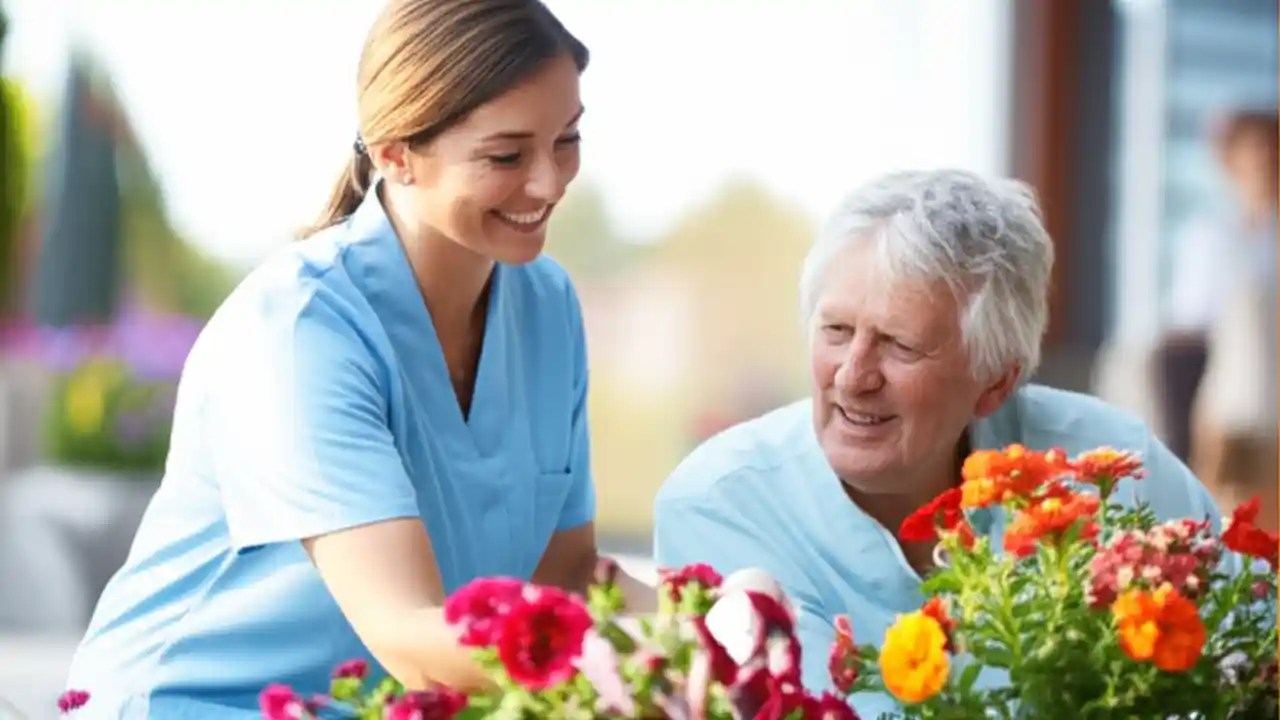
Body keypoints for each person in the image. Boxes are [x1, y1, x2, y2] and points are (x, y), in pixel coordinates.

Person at [65, 1, 650, 716]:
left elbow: (563, 577)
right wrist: (636, 665)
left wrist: (720, 622)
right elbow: (408, 638)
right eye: (507, 155)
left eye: (567, 139)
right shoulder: (299, 330)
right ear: (394, 152)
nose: (549, 182)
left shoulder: (547, 305)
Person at [652, 169, 1227, 718]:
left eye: (900, 345)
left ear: (996, 379)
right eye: (836, 331)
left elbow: (1247, 660)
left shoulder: (1113, 469)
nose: (853, 375)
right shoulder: (720, 505)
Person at [1185, 111, 1279, 533]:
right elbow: (1192, 322)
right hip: (1231, 404)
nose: (1263, 158)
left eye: (1270, 146)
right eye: (1252, 148)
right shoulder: (1210, 236)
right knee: (1226, 522)